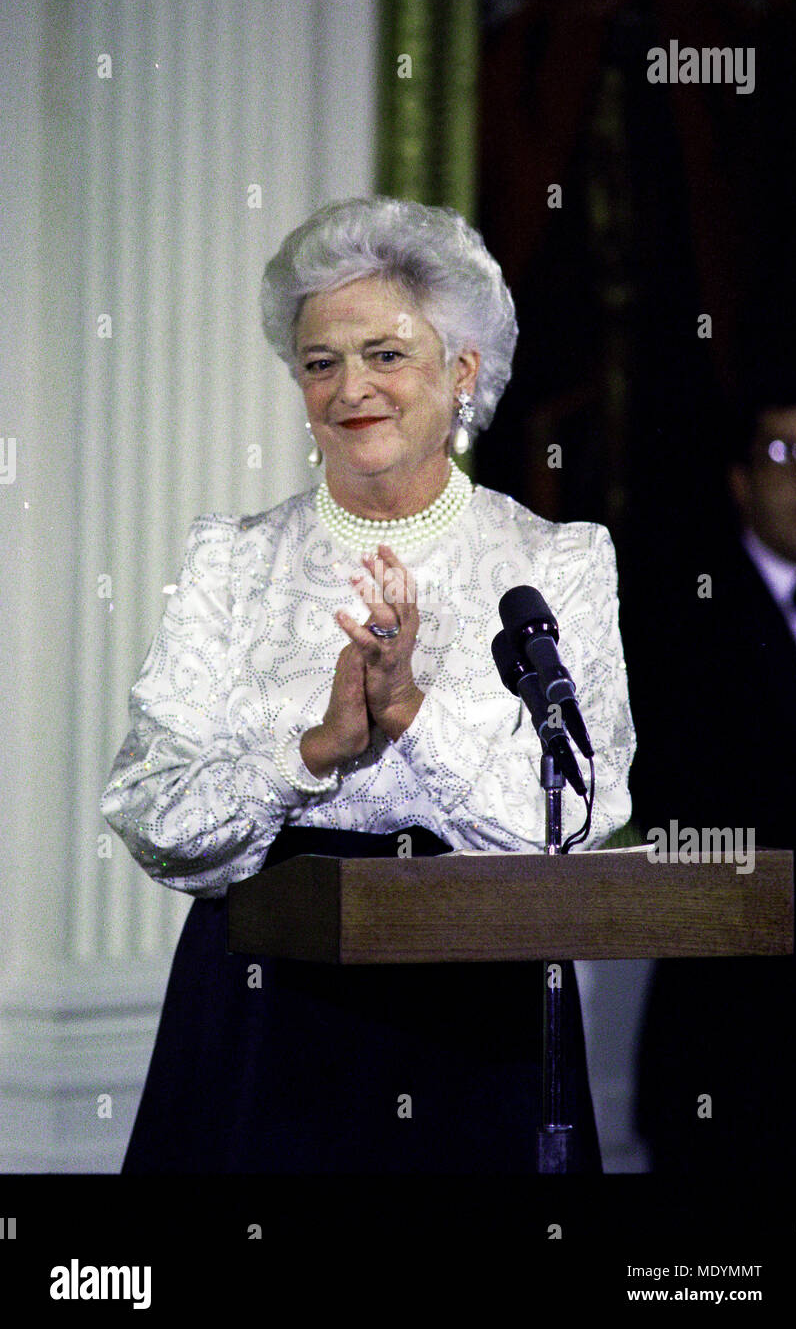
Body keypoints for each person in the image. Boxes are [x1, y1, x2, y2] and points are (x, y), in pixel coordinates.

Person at [100, 195, 636, 1173]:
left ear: (462, 370)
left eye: (385, 354)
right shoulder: (232, 560)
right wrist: (314, 751)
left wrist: (408, 714)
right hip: (263, 1023)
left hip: (477, 1026)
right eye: (320, 362)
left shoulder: (555, 563)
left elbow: (580, 822)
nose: (350, 387)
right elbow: (149, 812)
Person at [631, 362, 796, 1173]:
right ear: (740, 481)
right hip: (733, 1045)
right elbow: (675, 813)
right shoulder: (676, 618)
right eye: (782, 455)